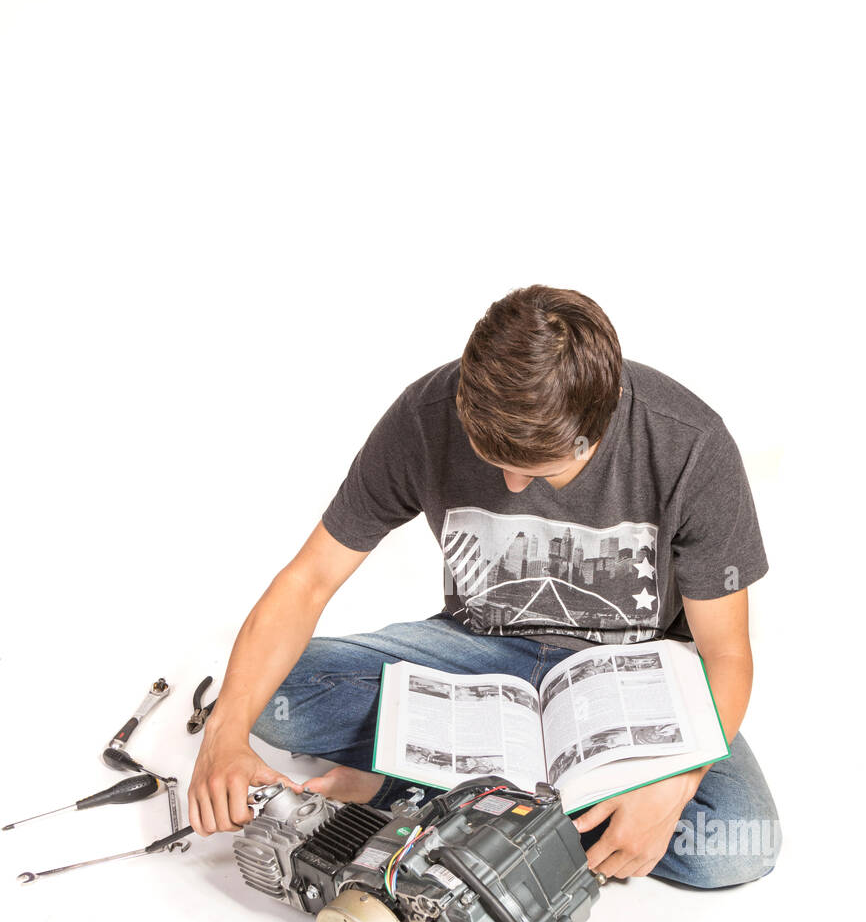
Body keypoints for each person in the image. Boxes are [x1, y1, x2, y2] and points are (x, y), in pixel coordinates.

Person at [188, 284, 781, 887]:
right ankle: (532, 801)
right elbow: (309, 579)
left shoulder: (689, 442)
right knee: (274, 695)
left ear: (600, 425)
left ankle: (418, 790)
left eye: (541, 470)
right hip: (479, 656)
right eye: (495, 461)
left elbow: (726, 653)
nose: (514, 486)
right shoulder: (425, 415)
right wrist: (223, 736)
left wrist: (673, 785)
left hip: (630, 677)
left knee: (734, 842)